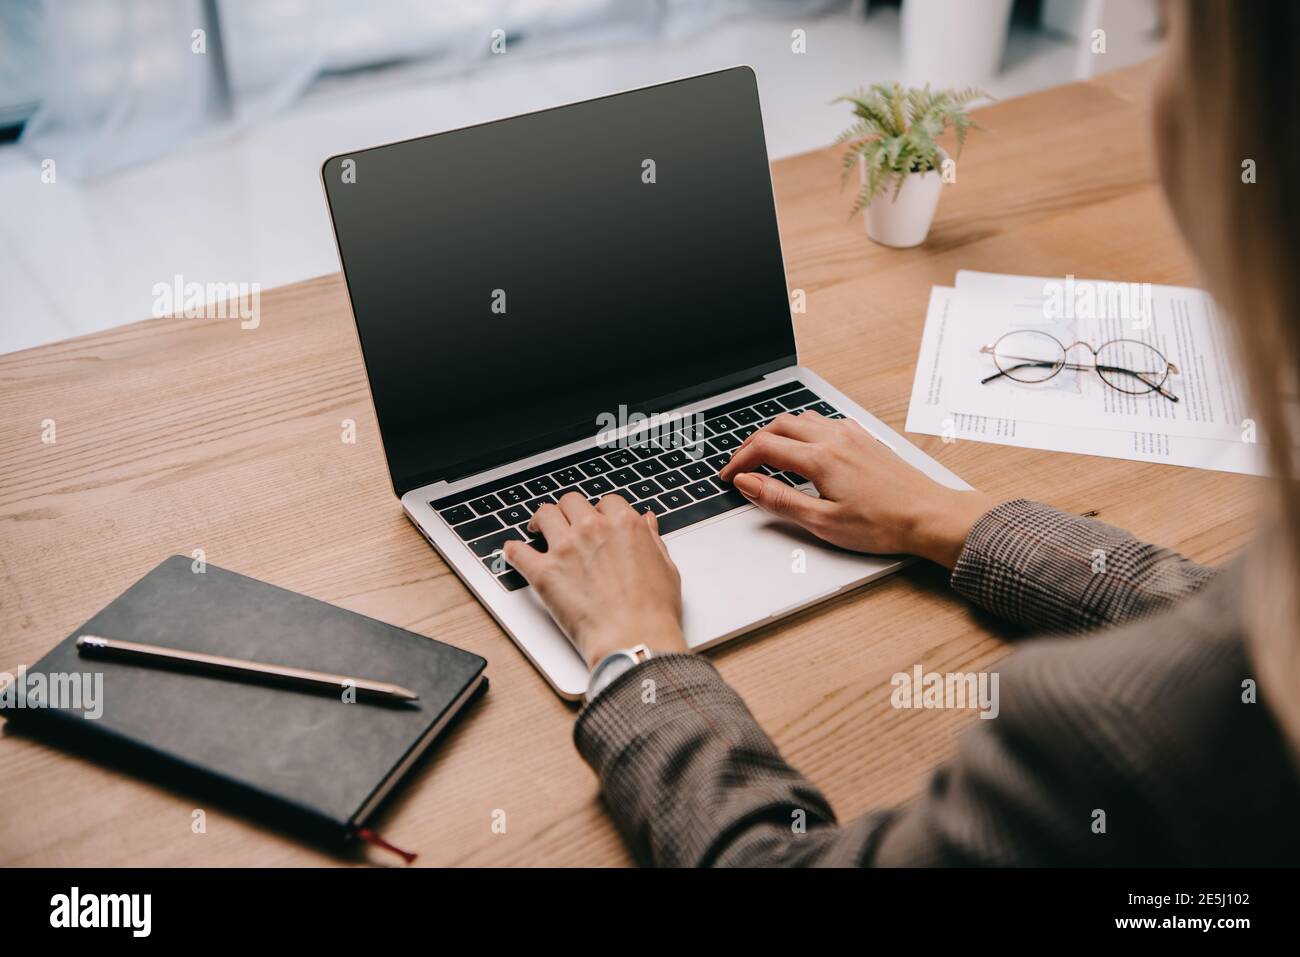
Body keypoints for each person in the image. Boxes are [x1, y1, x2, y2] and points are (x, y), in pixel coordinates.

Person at [501, 0, 1300, 866]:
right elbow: (1226, 609)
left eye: (1173, 35)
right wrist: (954, 519)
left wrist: (634, 649)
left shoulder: (1109, 739)